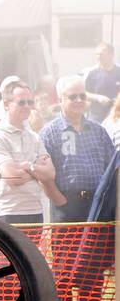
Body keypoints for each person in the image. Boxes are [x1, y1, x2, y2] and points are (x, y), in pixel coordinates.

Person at [0, 81, 63, 227]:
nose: (27, 106)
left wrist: (25, 166)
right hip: (6, 213)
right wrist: (35, 169)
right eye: (21, 102)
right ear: (6, 105)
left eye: (29, 102)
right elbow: (12, 177)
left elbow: (50, 174)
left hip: (35, 212)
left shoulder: (34, 137)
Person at [39, 75, 115, 223]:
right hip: (66, 208)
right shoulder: (49, 133)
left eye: (82, 96)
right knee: (67, 248)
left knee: (99, 247)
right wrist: (60, 200)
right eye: (73, 97)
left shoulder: (98, 131)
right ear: (60, 100)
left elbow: (112, 169)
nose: (79, 100)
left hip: (98, 206)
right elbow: (42, 175)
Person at [82, 41, 120, 122]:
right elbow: (83, 94)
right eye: (97, 54)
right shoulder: (92, 73)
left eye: (102, 54)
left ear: (111, 55)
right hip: (97, 119)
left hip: (116, 118)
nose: (98, 57)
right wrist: (98, 98)